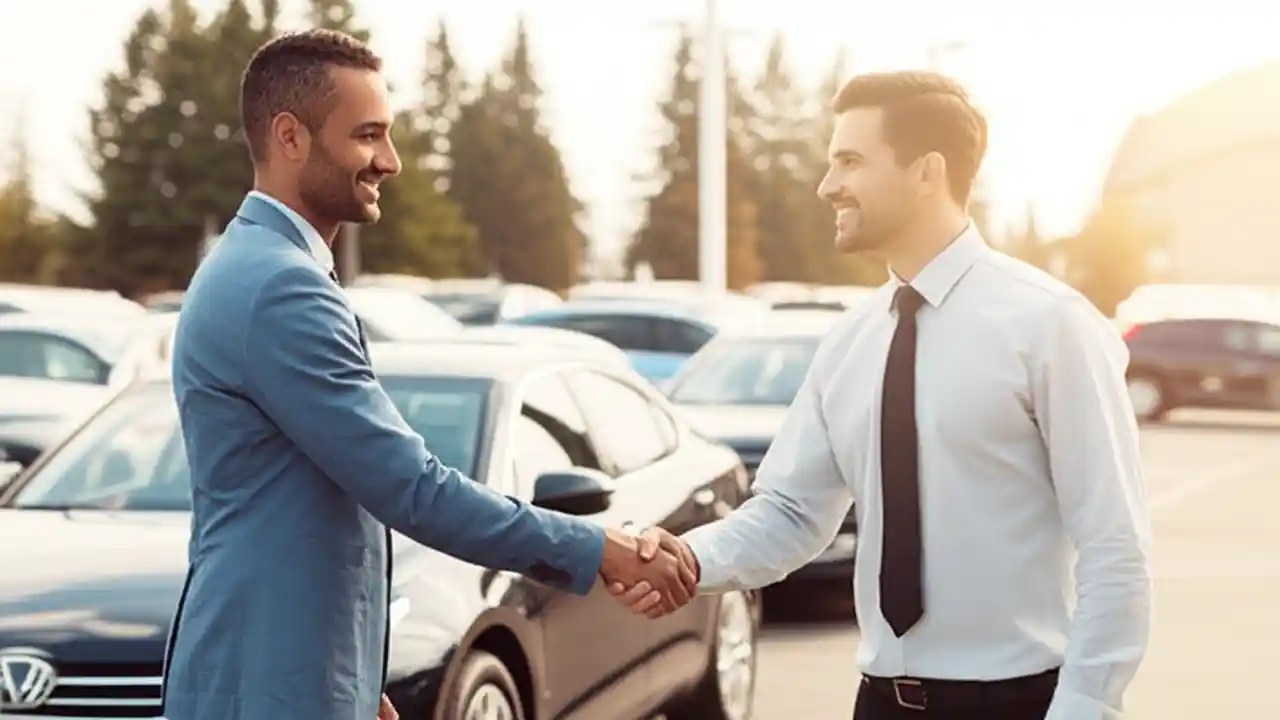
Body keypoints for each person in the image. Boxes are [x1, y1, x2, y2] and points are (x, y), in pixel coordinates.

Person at [162, 30, 693, 720]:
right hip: (267, 683)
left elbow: (295, 505)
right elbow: (412, 488)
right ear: (290, 136)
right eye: (368, 136)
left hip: (283, 672)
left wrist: (350, 674)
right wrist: (598, 548)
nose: (390, 161)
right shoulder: (279, 288)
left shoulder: (257, 267)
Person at [616, 71, 1152, 719]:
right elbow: (790, 512)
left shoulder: (1051, 326)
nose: (827, 185)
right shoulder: (851, 339)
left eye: (850, 161)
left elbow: (1114, 545)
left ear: (927, 173)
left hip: (1021, 702)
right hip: (880, 703)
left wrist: (1085, 708)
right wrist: (686, 559)